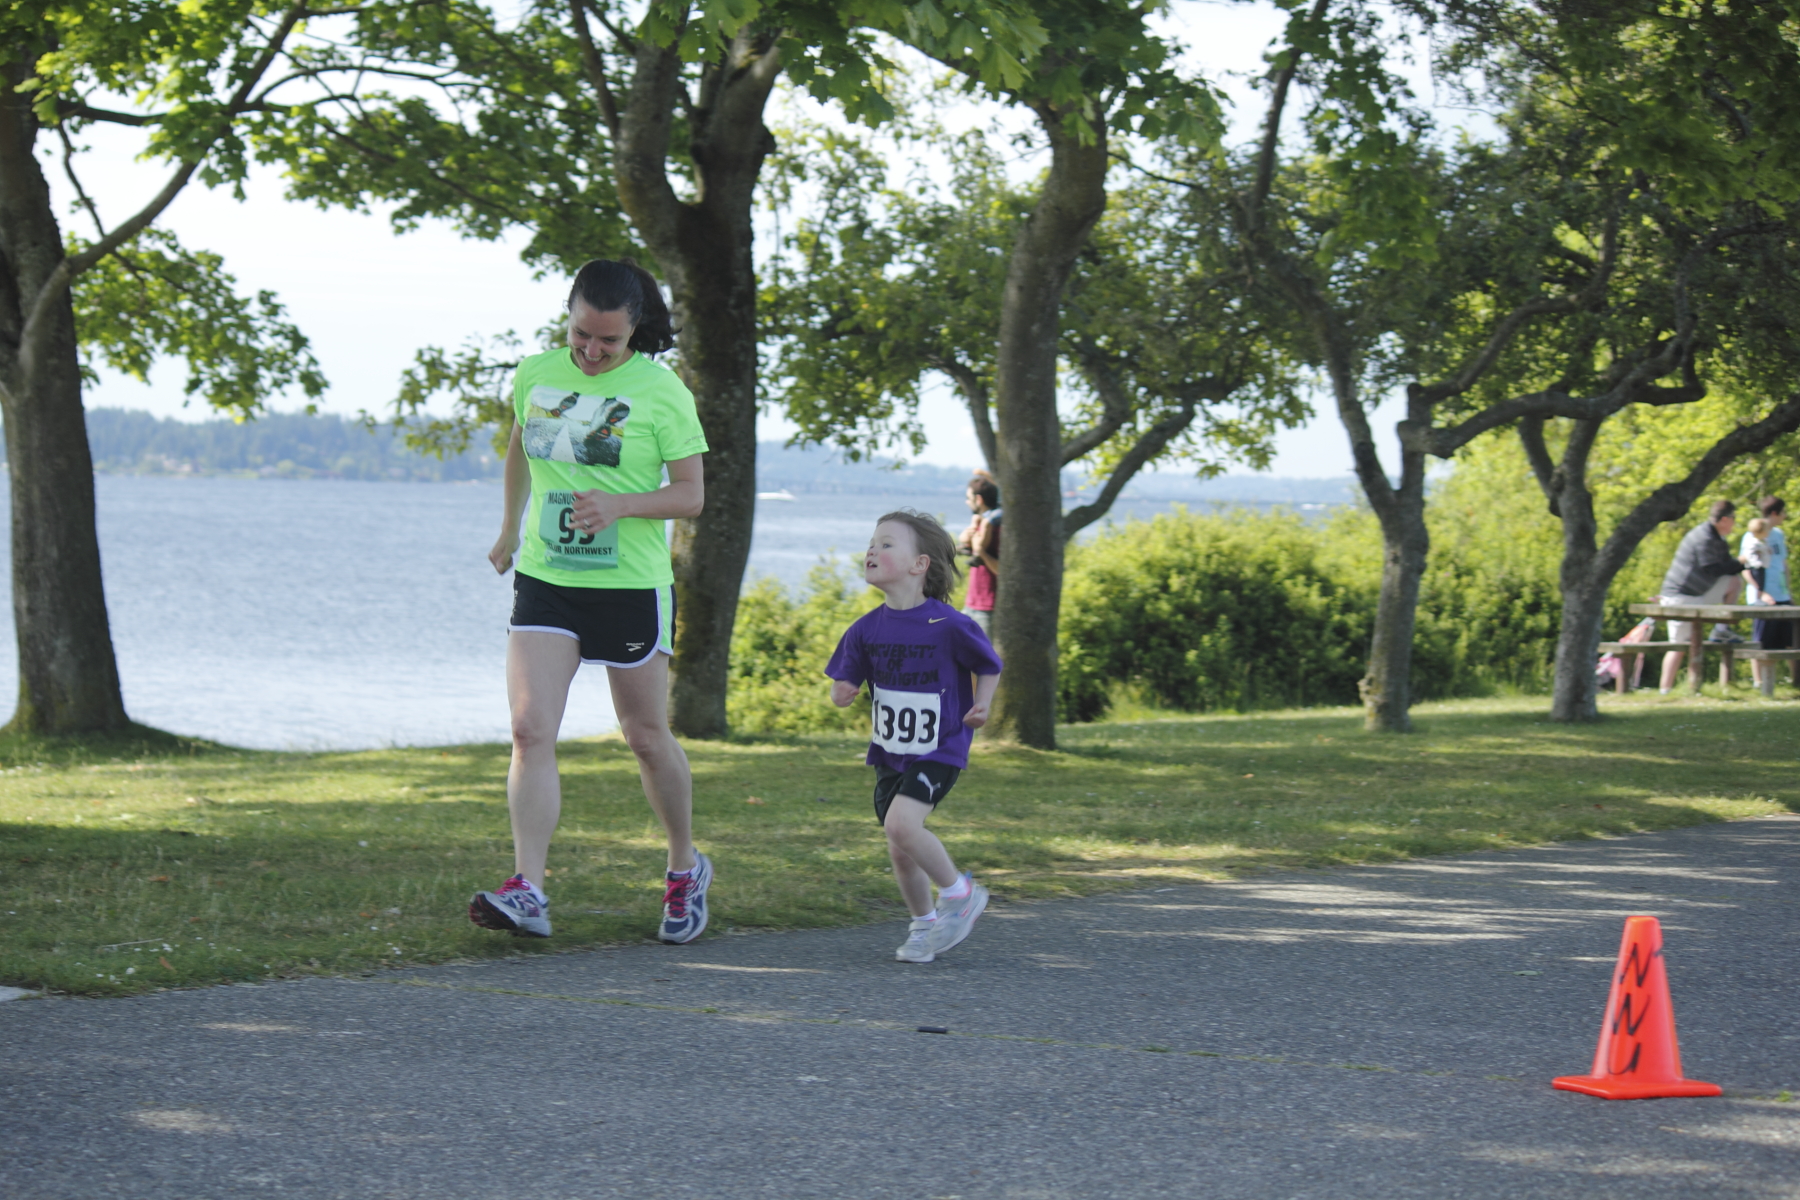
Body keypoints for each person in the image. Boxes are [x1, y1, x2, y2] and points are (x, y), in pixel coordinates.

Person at [470, 258, 713, 944]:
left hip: (630, 585)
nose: (593, 350)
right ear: (569, 316)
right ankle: (529, 889)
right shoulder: (535, 374)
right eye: (582, 334)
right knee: (529, 729)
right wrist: (509, 527)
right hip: (549, 580)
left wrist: (621, 506)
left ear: (635, 329)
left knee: (644, 737)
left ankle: (683, 868)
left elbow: (690, 495)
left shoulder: (661, 392)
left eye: (609, 340)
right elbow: (521, 449)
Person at [826, 510, 1002, 963]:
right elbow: (845, 677)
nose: (872, 550)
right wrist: (842, 689)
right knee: (899, 844)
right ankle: (924, 926)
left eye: (886, 544)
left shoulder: (949, 624)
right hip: (891, 752)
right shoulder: (865, 629)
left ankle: (960, 894)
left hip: (942, 747)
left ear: (918, 565)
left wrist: (982, 703)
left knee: (902, 825)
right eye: (871, 543)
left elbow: (988, 664)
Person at [1657, 500, 1745, 694]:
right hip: (1680, 597)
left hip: (1698, 594)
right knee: (1679, 646)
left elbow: (1727, 565)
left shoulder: (1717, 538)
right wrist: (1740, 562)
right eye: (1733, 518)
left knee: (1734, 581)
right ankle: (1665, 690)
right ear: (1724, 519)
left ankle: (1721, 630)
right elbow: (1712, 569)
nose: (1735, 523)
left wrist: (1743, 563)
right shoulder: (1704, 537)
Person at [1747, 497, 1793, 690]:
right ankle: (1760, 683)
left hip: (1781, 594)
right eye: (1782, 513)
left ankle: (1794, 681)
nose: (1784, 516)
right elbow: (1746, 568)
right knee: (1762, 641)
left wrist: (1788, 590)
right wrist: (1762, 592)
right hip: (1763, 596)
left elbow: (1782, 562)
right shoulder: (1753, 535)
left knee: (1790, 640)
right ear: (1774, 513)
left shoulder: (1779, 534)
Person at [955, 471, 1001, 641]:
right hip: (972, 604)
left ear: (979, 500)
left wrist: (981, 552)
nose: (967, 502)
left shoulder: (997, 529)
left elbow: (1003, 570)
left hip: (988, 608)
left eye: (969, 498)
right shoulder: (982, 524)